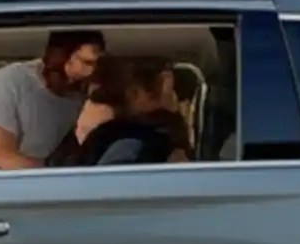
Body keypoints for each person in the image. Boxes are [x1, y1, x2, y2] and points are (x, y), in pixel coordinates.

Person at [0, 30, 105, 171]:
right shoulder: (11, 82)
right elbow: (4, 157)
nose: (91, 71)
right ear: (62, 57)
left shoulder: (80, 99)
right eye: (87, 63)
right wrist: (54, 174)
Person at [46, 57, 192, 167]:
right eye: (166, 91)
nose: (175, 101)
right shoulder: (133, 144)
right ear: (135, 94)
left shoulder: (95, 141)